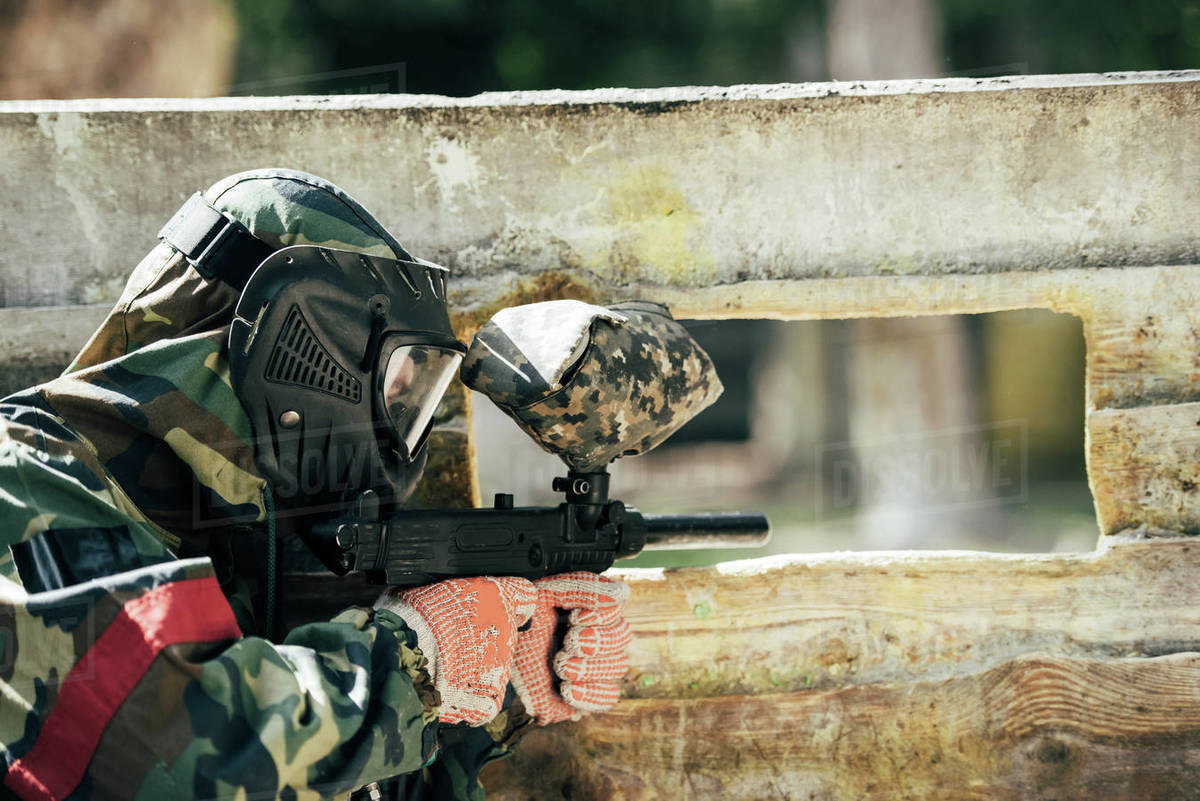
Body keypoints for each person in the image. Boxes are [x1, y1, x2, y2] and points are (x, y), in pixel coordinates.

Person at [0, 169, 630, 800]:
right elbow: (171, 759)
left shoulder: (251, 535)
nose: (399, 424)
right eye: (393, 379)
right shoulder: (27, 476)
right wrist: (415, 658)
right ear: (294, 345)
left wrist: (498, 688)